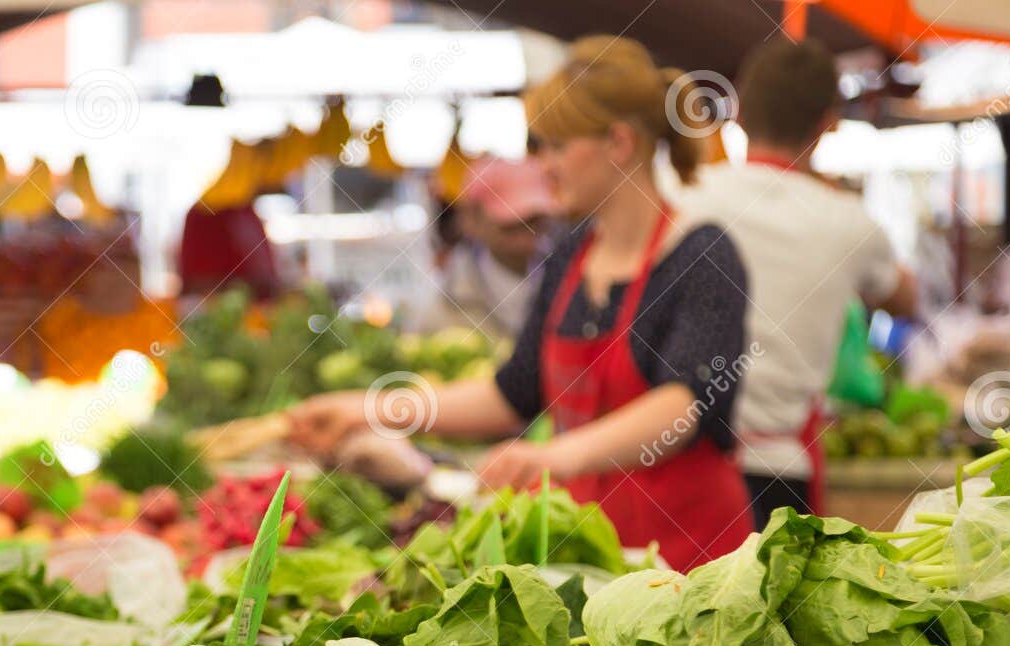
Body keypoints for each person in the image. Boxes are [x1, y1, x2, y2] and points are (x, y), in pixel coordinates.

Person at [290, 36, 753, 573]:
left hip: (693, 560)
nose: (545, 165)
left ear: (619, 143)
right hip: (590, 559)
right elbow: (514, 393)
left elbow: (685, 404)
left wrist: (551, 457)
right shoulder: (570, 257)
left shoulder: (703, 254)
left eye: (556, 146)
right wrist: (371, 409)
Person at [676, 36, 916, 527]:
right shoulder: (850, 222)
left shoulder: (683, 196)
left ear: (738, 114)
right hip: (778, 477)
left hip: (677, 462)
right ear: (827, 125)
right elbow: (906, 297)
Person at [419, 157, 562, 336]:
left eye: (535, 219)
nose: (526, 230)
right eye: (511, 222)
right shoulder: (442, 308)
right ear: (471, 219)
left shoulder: (572, 281)